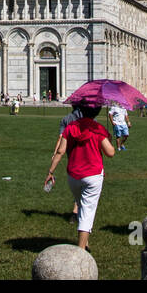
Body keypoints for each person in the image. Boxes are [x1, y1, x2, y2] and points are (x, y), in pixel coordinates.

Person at [45, 104, 115, 251]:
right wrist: (109, 140)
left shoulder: (71, 127)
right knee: (87, 211)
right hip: (92, 174)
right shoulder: (98, 128)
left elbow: (60, 151)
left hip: (73, 175)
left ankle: (85, 241)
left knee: (82, 206)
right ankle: (81, 250)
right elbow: (110, 153)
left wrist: (50, 172)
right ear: (96, 112)